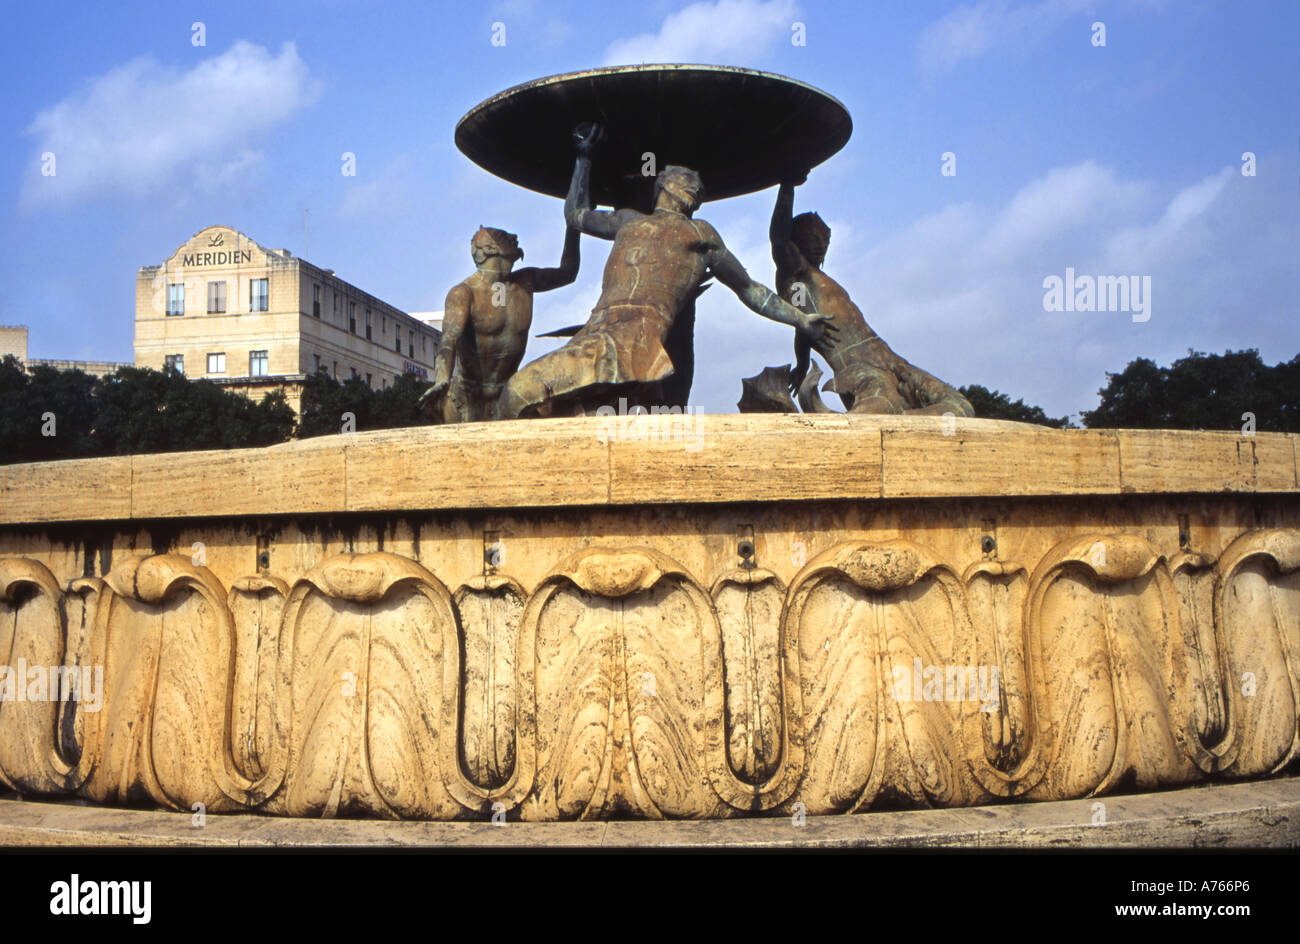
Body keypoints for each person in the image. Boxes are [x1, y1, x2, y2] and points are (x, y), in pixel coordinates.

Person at [499, 123, 835, 418]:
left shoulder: (700, 233)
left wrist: (800, 318)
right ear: (664, 184)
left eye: (697, 185)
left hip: (637, 341)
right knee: (521, 399)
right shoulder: (629, 221)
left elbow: (749, 289)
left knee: (519, 394)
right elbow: (576, 215)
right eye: (687, 180)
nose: (695, 186)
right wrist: (583, 158)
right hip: (596, 334)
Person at [770, 174, 973, 416]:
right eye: (813, 237)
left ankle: (903, 420)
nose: (821, 244)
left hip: (889, 358)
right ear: (797, 239)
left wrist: (802, 363)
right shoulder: (797, 272)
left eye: (826, 238)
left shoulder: (812, 283)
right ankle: (890, 422)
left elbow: (805, 325)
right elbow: (779, 239)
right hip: (859, 368)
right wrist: (787, 186)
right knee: (877, 414)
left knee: (961, 408)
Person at [420, 224, 579, 422]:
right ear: (489, 249)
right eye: (504, 237)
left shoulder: (525, 281)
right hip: (467, 401)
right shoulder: (463, 293)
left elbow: (568, 273)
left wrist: (573, 224)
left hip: (508, 396)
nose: (514, 237)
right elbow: (449, 339)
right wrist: (442, 377)